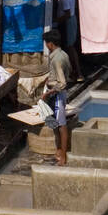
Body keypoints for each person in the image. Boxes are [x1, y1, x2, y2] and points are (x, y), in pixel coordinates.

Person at [42, 29, 72, 166]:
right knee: (54, 122)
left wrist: (48, 93)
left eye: (46, 43)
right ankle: (59, 150)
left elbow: (62, 83)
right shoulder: (63, 54)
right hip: (57, 93)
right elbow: (68, 71)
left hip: (57, 95)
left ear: (50, 44)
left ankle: (63, 155)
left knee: (61, 125)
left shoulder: (57, 59)